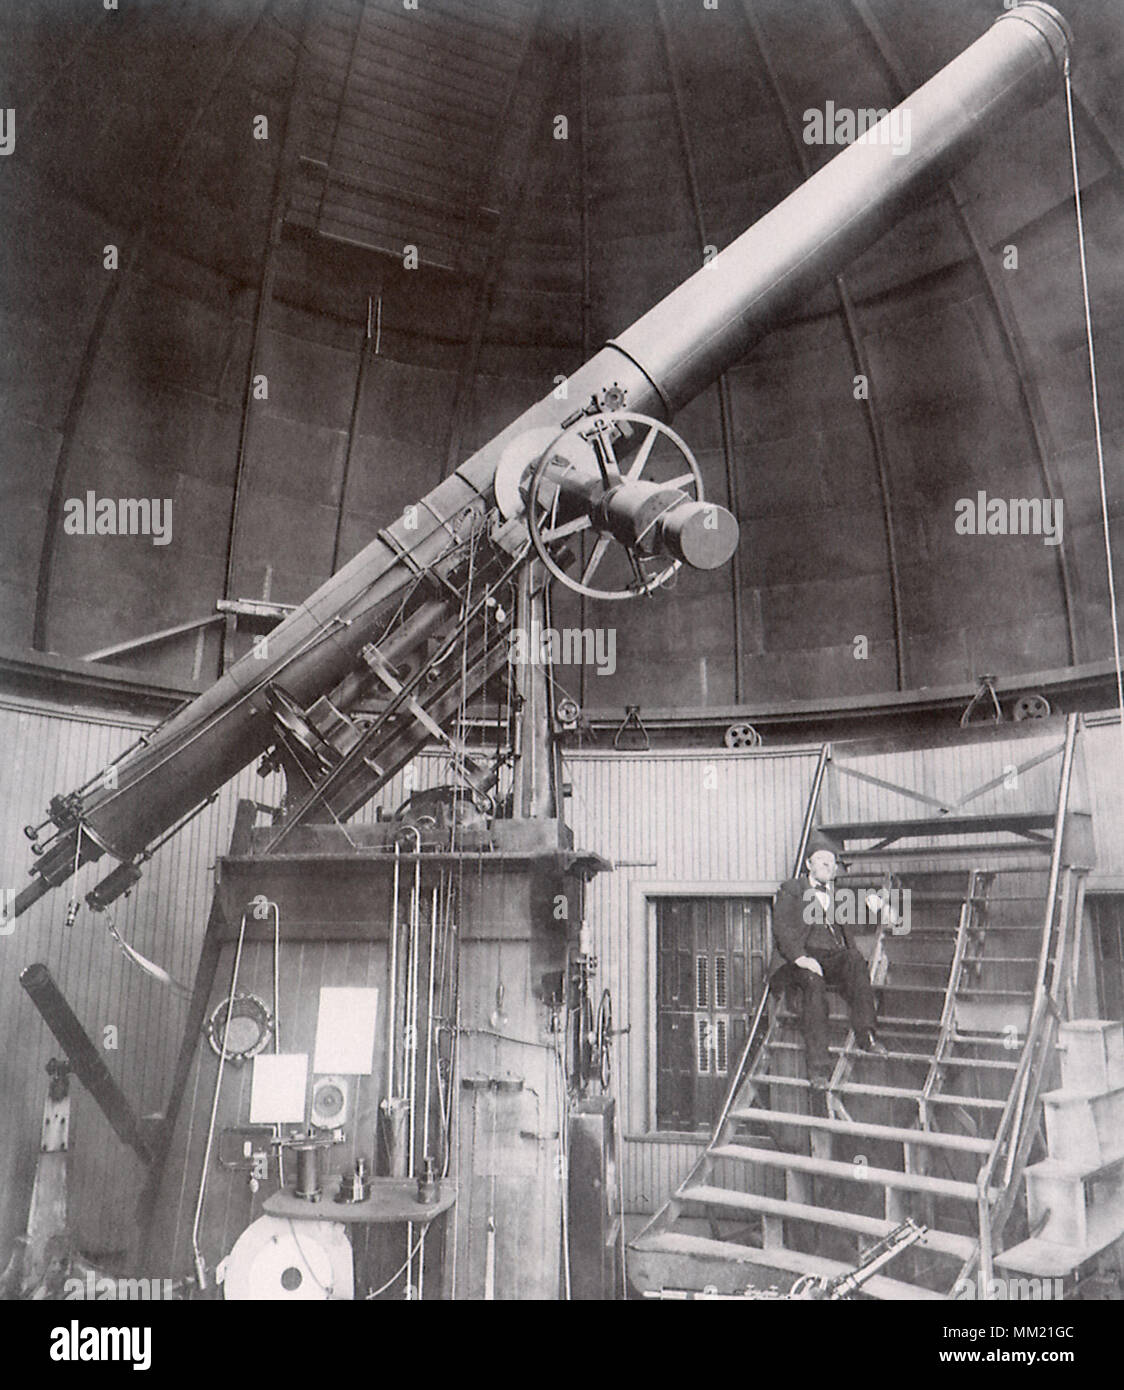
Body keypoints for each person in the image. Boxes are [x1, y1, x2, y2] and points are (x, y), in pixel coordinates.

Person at [771, 841, 887, 1089]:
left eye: (831, 861)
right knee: (813, 986)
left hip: (831, 957)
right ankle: (818, 1070)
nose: (827, 864)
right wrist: (801, 958)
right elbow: (782, 929)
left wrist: (876, 907)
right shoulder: (791, 889)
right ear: (808, 864)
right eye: (821, 859)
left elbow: (856, 916)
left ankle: (866, 1034)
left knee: (854, 958)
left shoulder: (836, 895)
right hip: (800, 959)